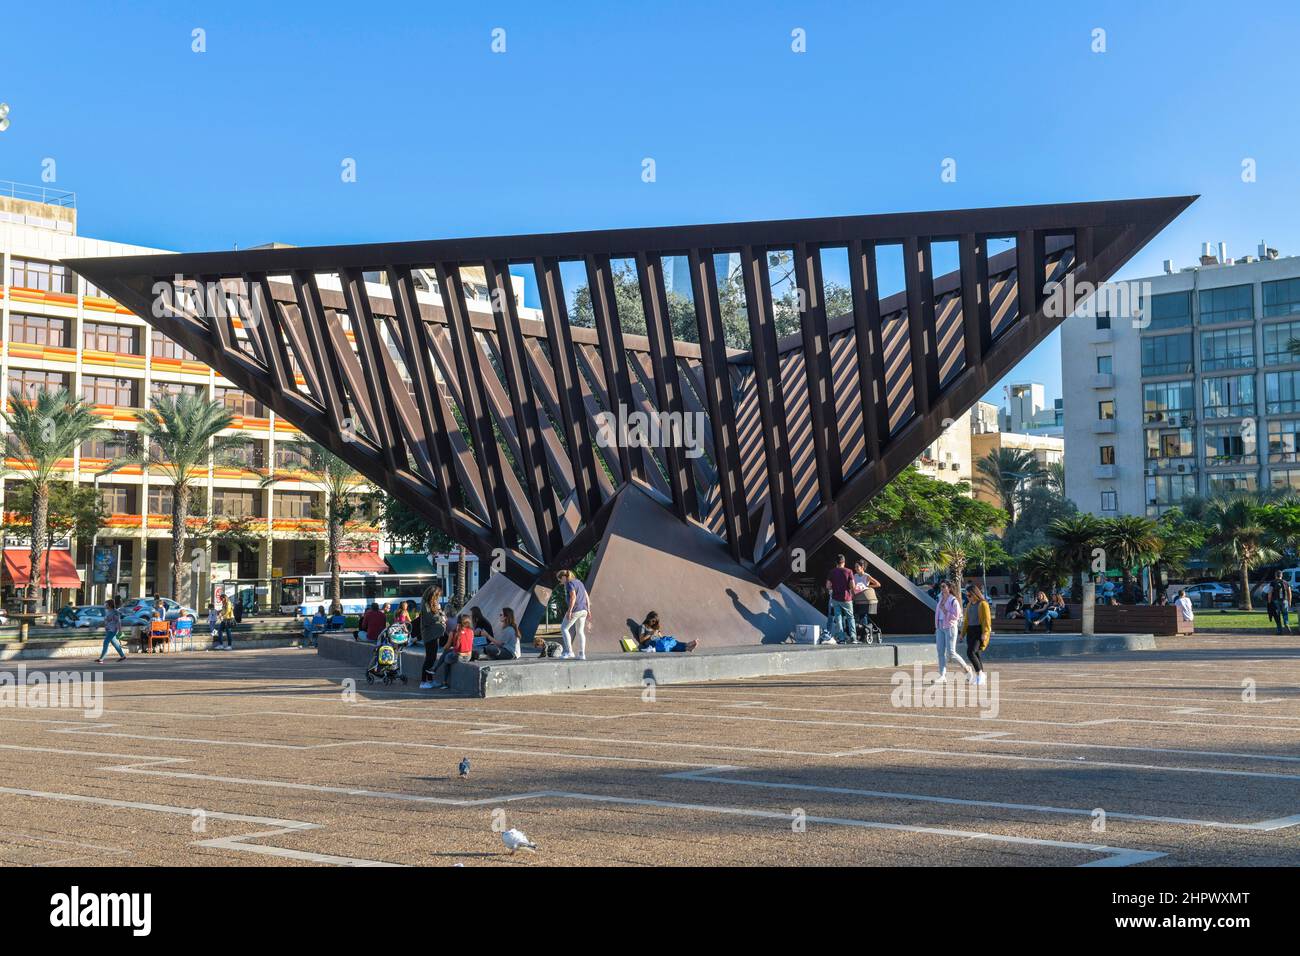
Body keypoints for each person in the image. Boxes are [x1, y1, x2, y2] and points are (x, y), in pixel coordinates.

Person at [933, 581, 973, 684]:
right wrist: (937, 626)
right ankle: (942, 676)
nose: (941, 588)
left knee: (951, 652)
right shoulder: (940, 598)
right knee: (940, 652)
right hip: (940, 627)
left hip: (950, 627)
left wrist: (945, 610)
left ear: (949, 588)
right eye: (940, 586)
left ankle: (967, 669)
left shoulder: (953, 600)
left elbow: (956, 616)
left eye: (943, 586)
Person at [430, 614, 474, 689]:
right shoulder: (471, 631)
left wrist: (444, 648)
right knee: (449, 651)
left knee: (446, 657)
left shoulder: (453, 632)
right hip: (468, 656)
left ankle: (443, 681)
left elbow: (446, 646)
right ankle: (435, 669)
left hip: (459, 656)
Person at [418, 585, 449, 689]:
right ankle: (423, 681)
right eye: (437, 595)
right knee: (429, 658)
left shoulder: (432, 604)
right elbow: (428, 619)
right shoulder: (425, 604)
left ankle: (430, 680)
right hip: (429, 634)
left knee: (433, 657)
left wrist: (440, 613)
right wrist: (441, 617)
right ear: (433, 595)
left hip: (434, 634)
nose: (438, 597)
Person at [556, 569, 590, 660]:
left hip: (576, 610)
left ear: (564, 577)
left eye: (560, 579)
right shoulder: (579, 582)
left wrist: (570, 611)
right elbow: (586, 595)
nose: (560, 581)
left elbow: (573, 597)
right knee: (580, 631)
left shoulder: (569, 583)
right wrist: (589, 609)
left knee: (564, 628)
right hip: (584, 610)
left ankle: (569, 652)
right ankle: (582, 654)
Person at [824, 554, 856, 642]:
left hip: (835, 598)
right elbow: (852, 585)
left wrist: (833, 588)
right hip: (847, 598)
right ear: (844, 562)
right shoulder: (849, 571)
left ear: (836, 563)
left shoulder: (832, 572)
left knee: (838, 618)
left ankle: (841, 638)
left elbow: (828, 585)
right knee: (850, 617)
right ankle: (853, 637)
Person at [964, 585, 991, 686]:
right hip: (970, 631)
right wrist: (962, 634)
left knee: (970, 652)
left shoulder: (983, 604)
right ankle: (981, 675)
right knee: (976, 653)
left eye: (970, 595)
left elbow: (987, 620)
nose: (968, 597)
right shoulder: (969, 604)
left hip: (978, 630)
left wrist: (985, 632)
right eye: (967, 595)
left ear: (975, 594)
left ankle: (979, 673)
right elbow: (966, 620)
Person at [850, 559, 882, 638]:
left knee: (863, 615)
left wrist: (868, 586)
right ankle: (860, 631)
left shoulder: (866, 576)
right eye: (855, 567)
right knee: (857, 615)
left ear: (862, 567)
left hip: (865, 598)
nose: (856, 568)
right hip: (857, 598)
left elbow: (878, 584)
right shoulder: (854, 576)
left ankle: (865, 632)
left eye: (857, 567)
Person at [96, 598, 127, 664]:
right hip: (108, 629)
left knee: (105, 642)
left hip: (113, 630)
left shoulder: (115, 612)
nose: (105, 605)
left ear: (109, 605)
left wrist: (120, 630)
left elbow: (118, 621)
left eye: (106, 604)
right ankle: (122, 656)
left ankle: (101, 658)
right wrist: (99, 625)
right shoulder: (108, 612)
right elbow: (106, 620)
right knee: (115, 644)